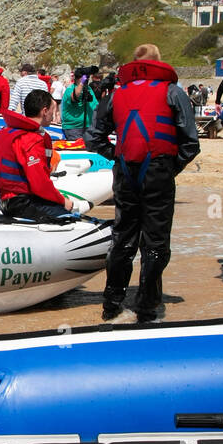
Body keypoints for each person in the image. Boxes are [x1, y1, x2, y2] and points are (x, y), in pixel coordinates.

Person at [87, 43, 199, 323]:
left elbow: (94, 136)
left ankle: (111, 303)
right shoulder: (173, 93)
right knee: (156, 241)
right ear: (158, 63)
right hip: (158, 170)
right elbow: (190, 143)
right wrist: (171, 168)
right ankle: (147, 307)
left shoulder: (115, 95)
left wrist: (115, 155)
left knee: (123, 237)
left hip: (125, 171)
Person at [0, 88, 87, 222]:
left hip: (4, 198)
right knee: (68, 218)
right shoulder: (31, 139)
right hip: (20, 202)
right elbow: (39, 183)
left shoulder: (7, 131)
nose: (55, 114)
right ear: (45, 111)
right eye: (53, 110)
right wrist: (63, 201)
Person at [60, 68, 99, 141]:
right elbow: (74, 97)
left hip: (88, 127)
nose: (87, 80)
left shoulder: (88, 89)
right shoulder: (70, 89)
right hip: (73, 128)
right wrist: (81, 83)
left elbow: (95, 105)